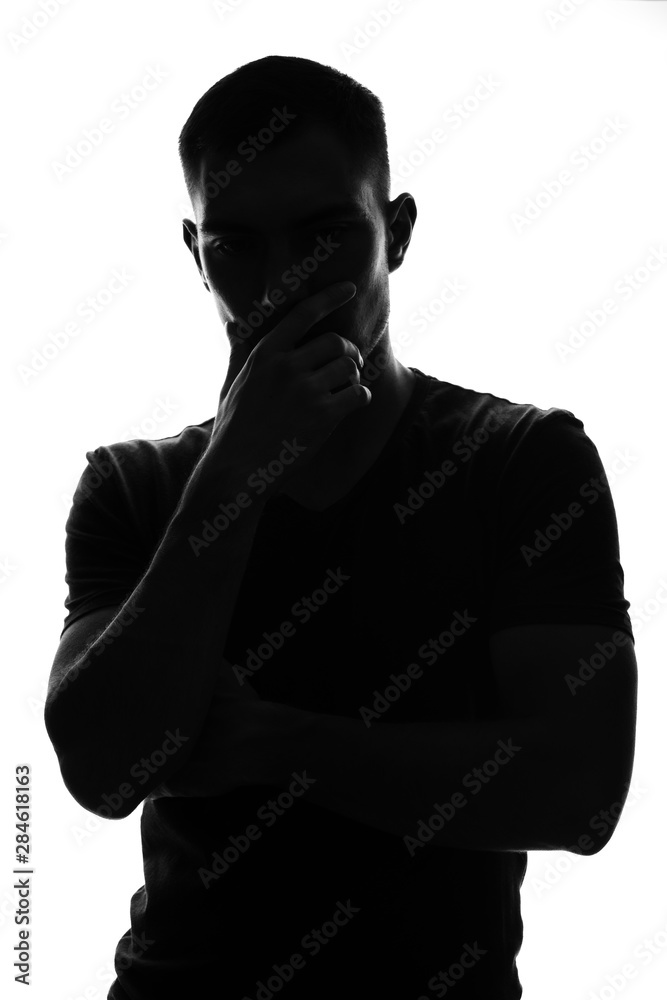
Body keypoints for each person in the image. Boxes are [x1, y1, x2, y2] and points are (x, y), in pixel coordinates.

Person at [44, 55, 638, 998]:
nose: (281, 287)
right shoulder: (136, 485)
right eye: (237, 247)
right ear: (194, 253)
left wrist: (278, 744)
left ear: (395, 233)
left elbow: (583, 795)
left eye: (324, 236)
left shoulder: (523, 461)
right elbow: (104, 770)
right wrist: (234, 472)